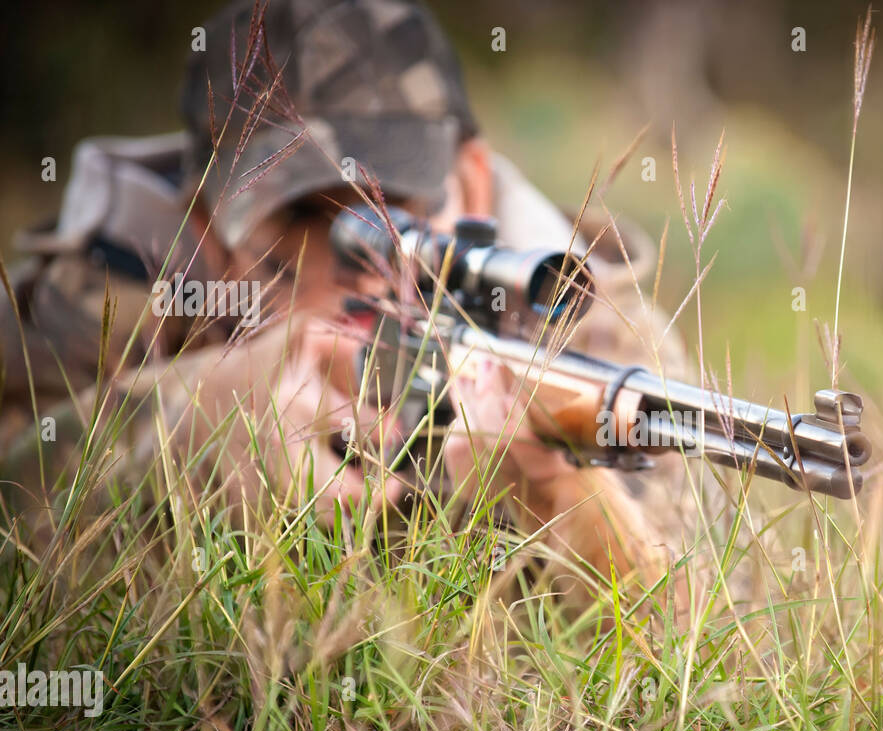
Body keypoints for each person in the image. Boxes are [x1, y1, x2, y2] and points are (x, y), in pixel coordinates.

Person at [0, 0, 692, 603]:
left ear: (474, 185)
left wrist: (564, 499)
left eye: (401, 206)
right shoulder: (100, 302)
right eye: (304, 216)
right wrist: (187, 435)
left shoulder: (589, 324)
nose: (368, 259)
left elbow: (701, 638)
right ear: (210, 226)